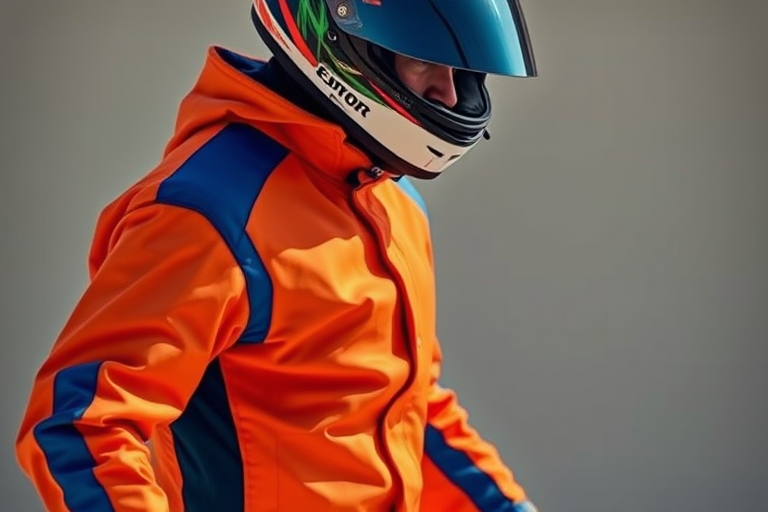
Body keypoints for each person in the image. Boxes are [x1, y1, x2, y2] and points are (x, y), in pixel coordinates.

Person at [15, 1, 540, 511]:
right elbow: (80, 427)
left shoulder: (395, 202)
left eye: (460, 70)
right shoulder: (209, 211)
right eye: (423, 59)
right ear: (341, 37)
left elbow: (405, 405)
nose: (448, 96)